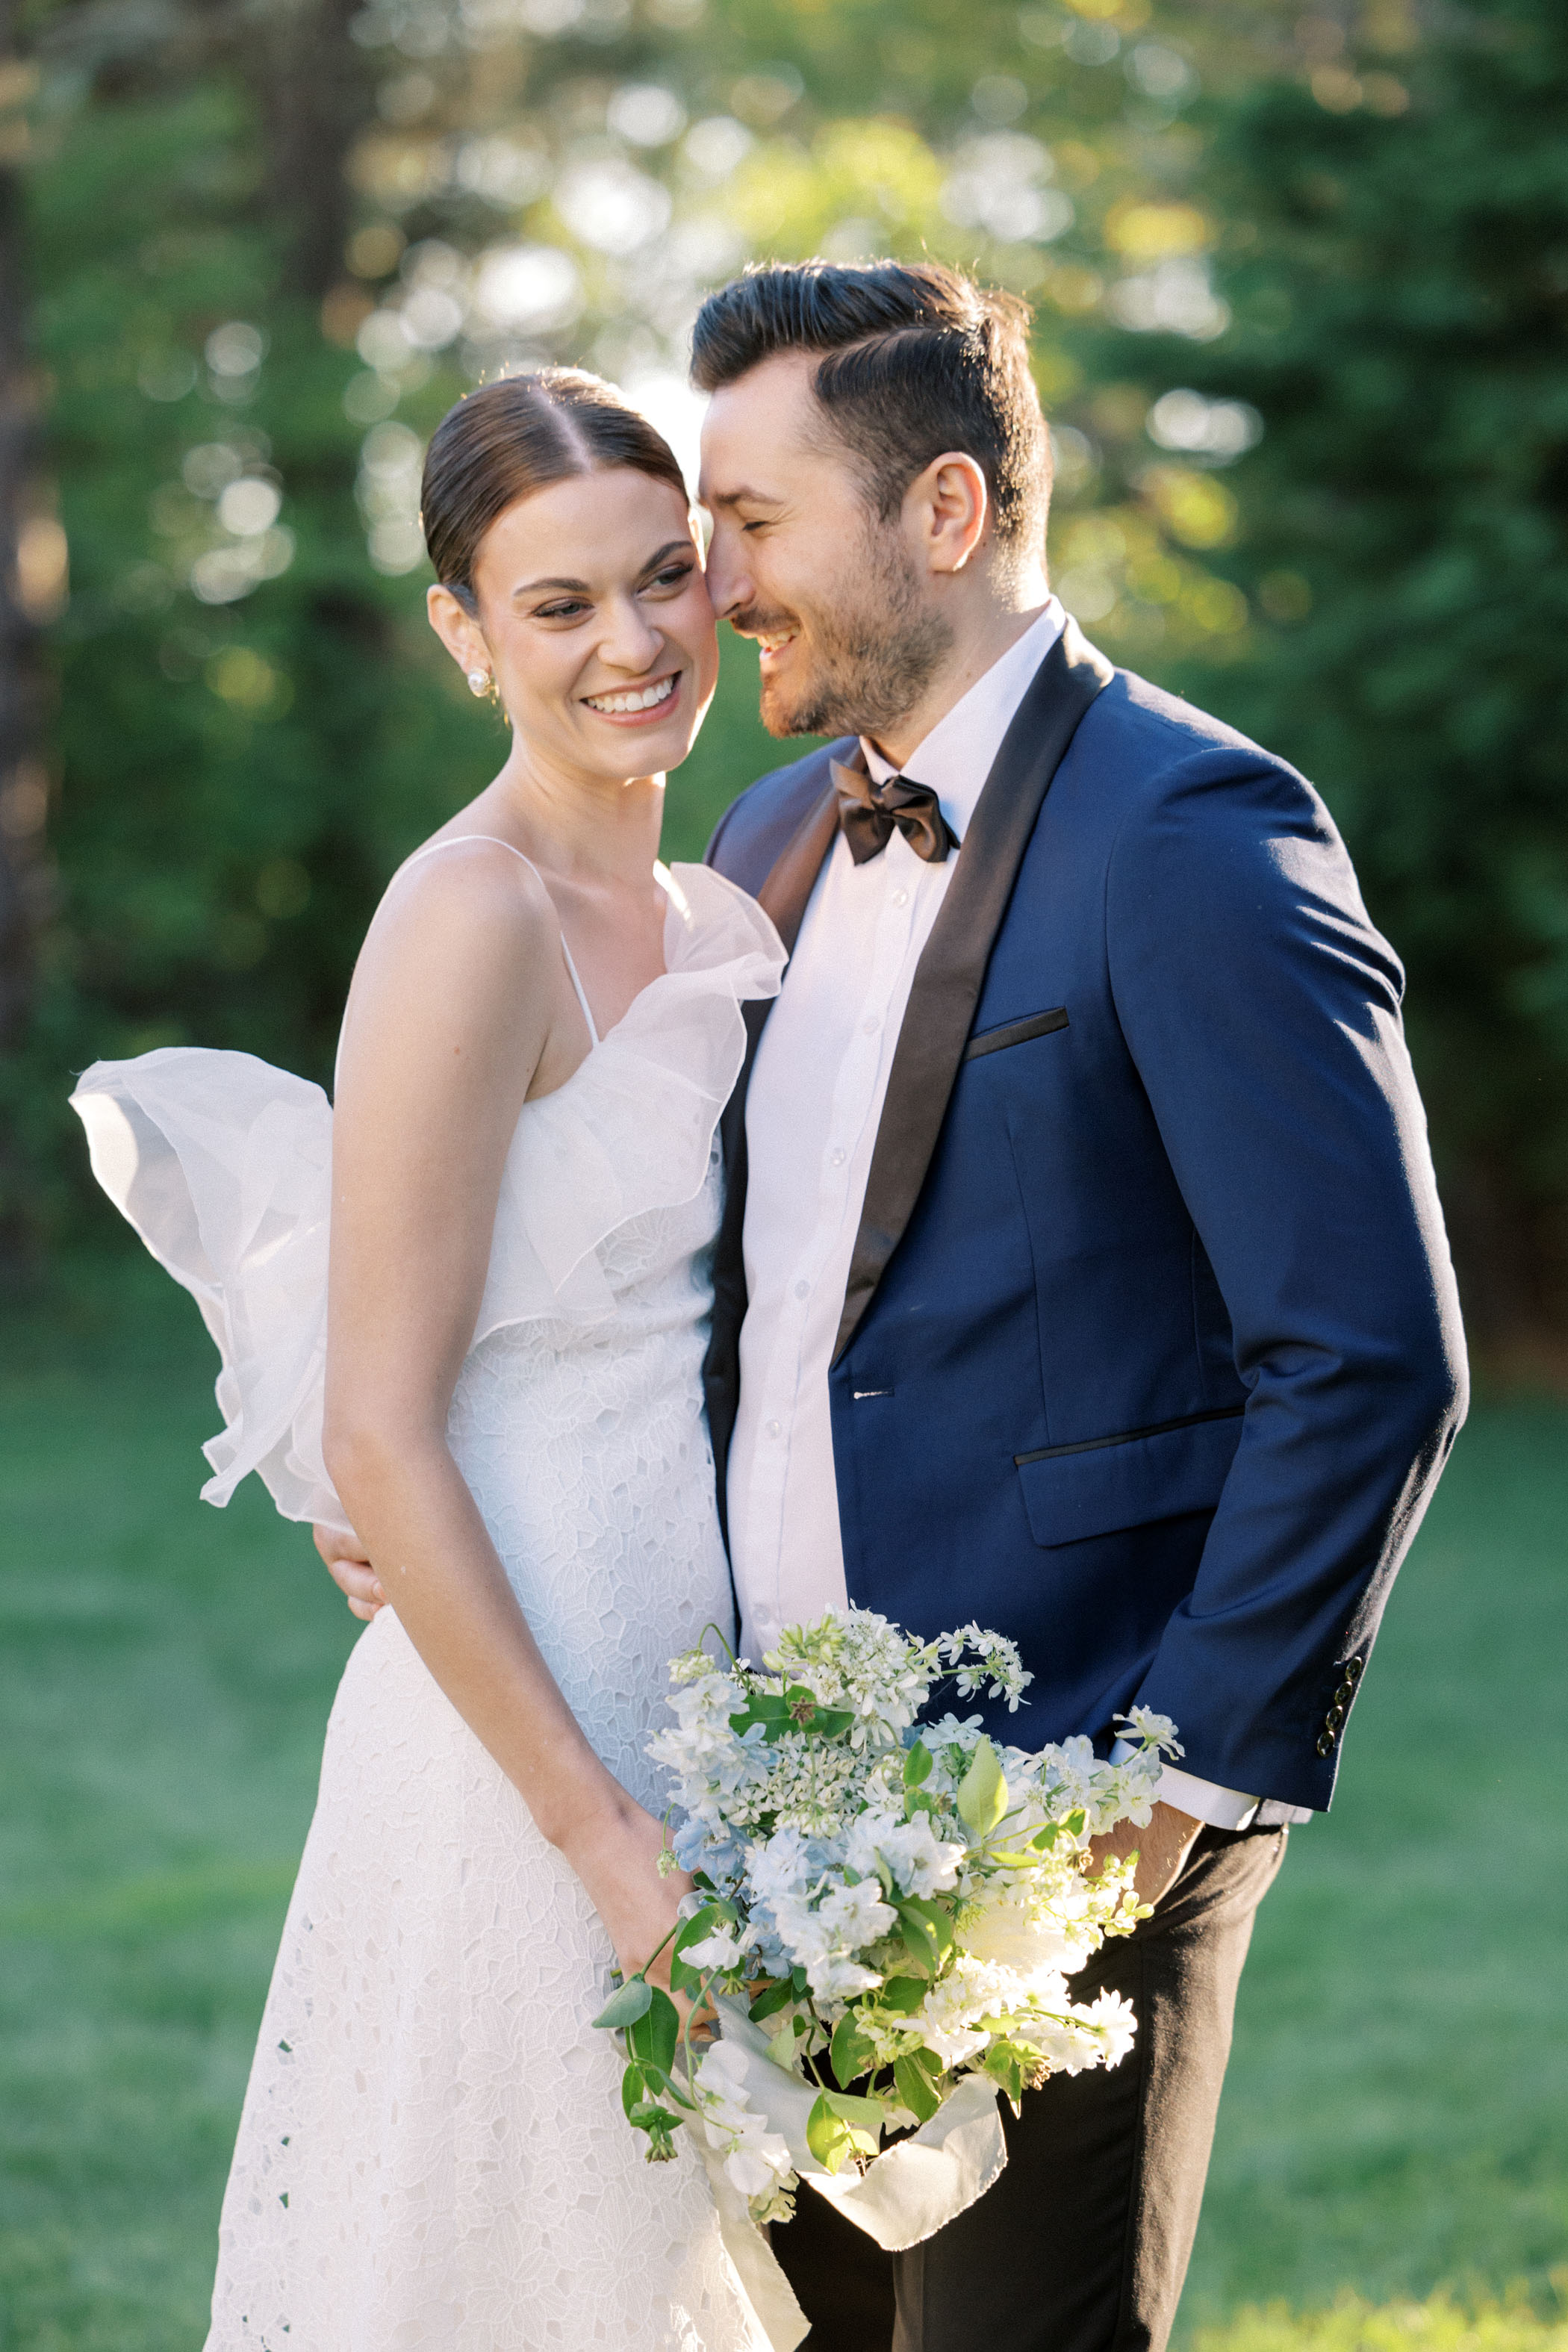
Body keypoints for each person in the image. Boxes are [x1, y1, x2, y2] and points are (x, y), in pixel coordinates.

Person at [332, 261, 1467, 2351]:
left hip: (1055, 1820)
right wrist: (415, 1479)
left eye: (744, 530)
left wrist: (1169, 1793)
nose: (714, 593)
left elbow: (1366, 1356)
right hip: (775, 1805)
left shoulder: (1193, 832)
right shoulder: (760, 838)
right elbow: (705, 1283)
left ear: (942, 513)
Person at [71, 369, 786, 2352]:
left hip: (699, 1661)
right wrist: (594, 1835)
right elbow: (384, 1425)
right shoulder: (465, 919)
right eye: (556, 605)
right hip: (523, 1722)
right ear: (464, 633)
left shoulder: (712, 904)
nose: (632, 641)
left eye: (662, 579)